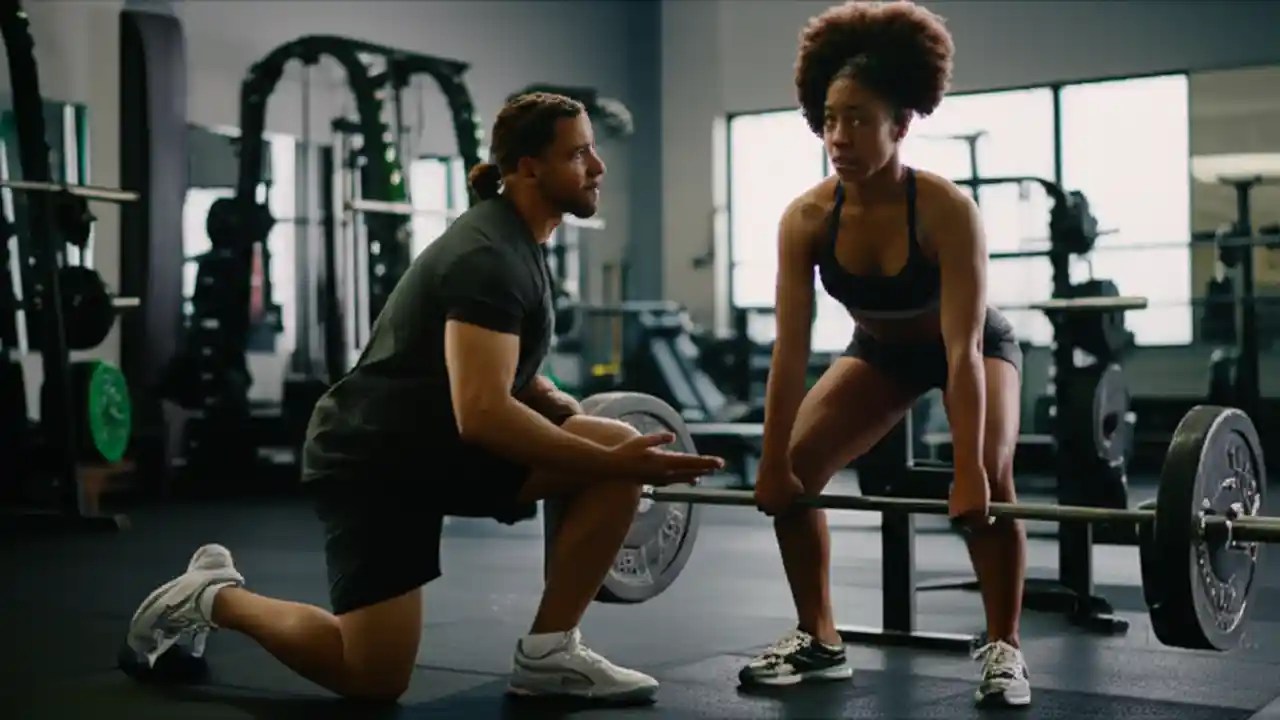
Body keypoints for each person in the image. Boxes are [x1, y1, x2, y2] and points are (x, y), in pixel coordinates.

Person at [123, 92, 724, 705]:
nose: (597, 167)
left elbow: (514, 376)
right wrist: (612, 464)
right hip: (375, 460)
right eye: (578, 154)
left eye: (593, 150)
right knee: (372, 678)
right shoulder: (488, 257)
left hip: (438, 445)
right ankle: (212, 596)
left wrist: (575, 420)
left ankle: (550, 653)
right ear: (528, 168)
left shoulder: (522, 244)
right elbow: (485, 413)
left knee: (615, 442)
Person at [736, 0, 1031, 708]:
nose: (839, 135)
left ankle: (1004, 649)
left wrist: (966, 473)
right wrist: (773, 461)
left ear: (901, 124)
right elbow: (789, 351)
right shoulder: (806, 218)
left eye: (859, 118)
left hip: (972, 346)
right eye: (830, 118)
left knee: (989, 476)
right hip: (880, 352)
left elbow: (960, 352)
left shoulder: (944, 210)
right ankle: (820, 639)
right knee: (801, 473)